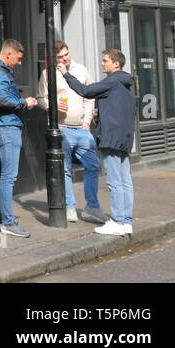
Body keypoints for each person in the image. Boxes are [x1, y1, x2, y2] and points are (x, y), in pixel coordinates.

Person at [60, 50, 137, 236]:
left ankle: (117, 221)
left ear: (116, 64)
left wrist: (65, 74)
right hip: (125, 136)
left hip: (111, 137)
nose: (102, 64)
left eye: (105, 61)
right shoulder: (126, 83)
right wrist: (100, 116)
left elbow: (85, 91)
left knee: (114, 181)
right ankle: (126, 221)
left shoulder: (111, 81)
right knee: (125, 180)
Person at [37, 42, 103, 225]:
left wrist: (87, 121)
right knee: (65, 170)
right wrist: (54, 105)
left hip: (82, 130)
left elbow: (89, 97)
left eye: (66, 54)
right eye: (60, 57)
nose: (65, 58)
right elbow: (41, 98)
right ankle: (70, 207)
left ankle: (92, 206)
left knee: (93, 165)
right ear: (53, 59)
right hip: (62, 128)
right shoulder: (47, 73)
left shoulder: (81, 70)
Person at [0, 39, 37, 238]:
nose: (19, 62)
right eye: (18, 58)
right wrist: (25, 102)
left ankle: (0, 220)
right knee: (8, 176)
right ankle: (7, 221)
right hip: (7, 127)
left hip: (0, 126)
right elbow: (3, 99)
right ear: (8, 54)